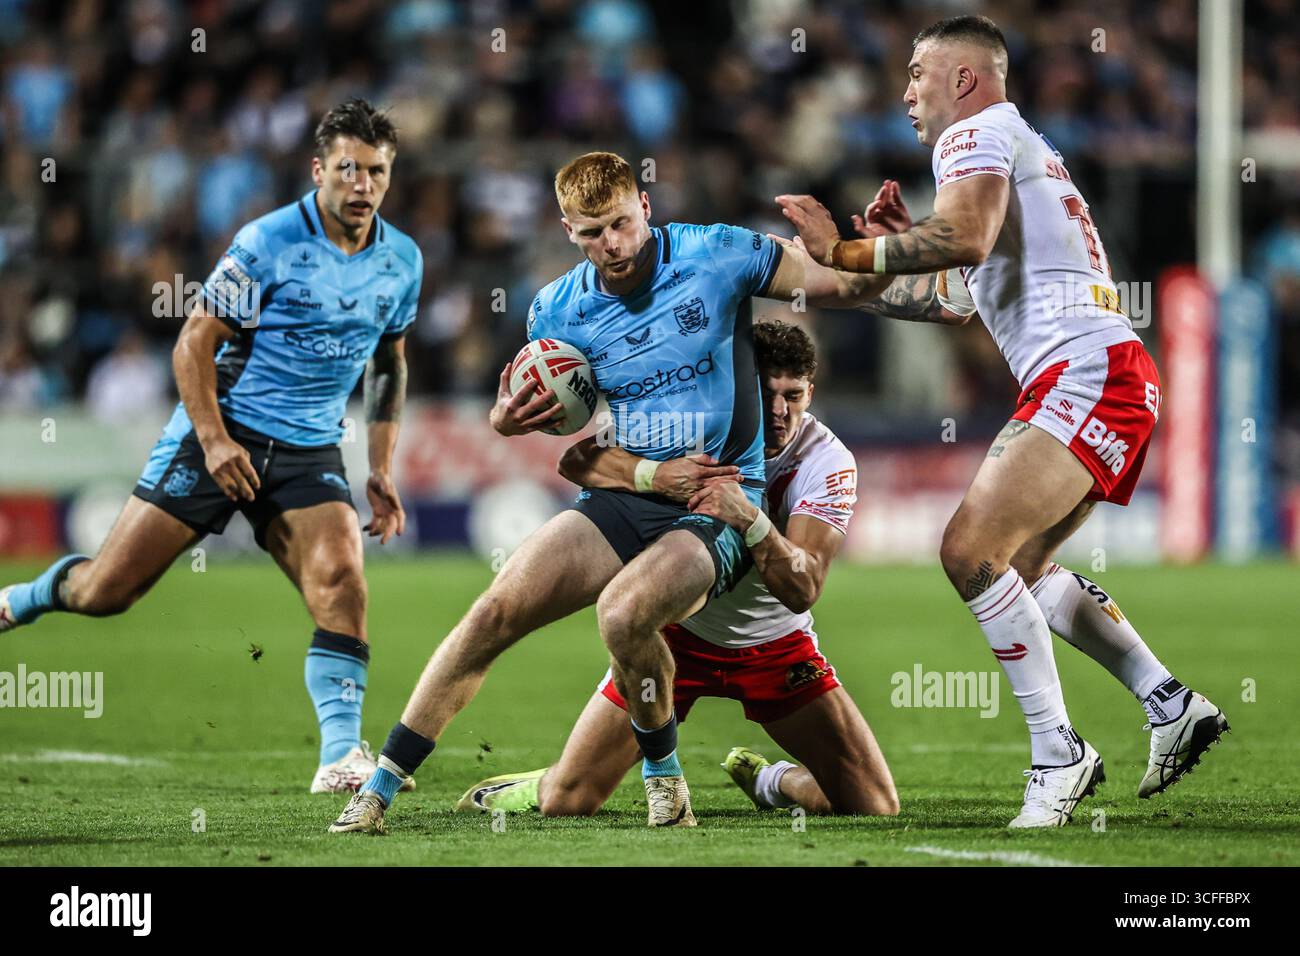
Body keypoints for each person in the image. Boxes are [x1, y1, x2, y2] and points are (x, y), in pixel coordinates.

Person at [329, 151, 893, 834]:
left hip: (717, 501)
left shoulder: (718, 254)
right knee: (493, 611)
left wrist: (875, 250)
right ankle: (380, 788)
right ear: (568, 230)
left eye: (622, 224)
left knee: (625, 614)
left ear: (645, 209)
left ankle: (666, 785)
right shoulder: (557, 309)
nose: (612, 245)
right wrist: (504, 419)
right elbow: (566, 440)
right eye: (592, 232)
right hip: (633, 497)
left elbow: (841, 287)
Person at [775, 15, 1227, 828]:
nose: (906, 90)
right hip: (1109, 374)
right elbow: (949, 296)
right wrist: (885, 259)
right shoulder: (1014, 148)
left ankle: (1059, 755)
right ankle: (1168, 702)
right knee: (1015, 568)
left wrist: (846, 252)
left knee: (967, 552)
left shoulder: (976, 132)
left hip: (1084, 374)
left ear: (964, 78)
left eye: (918, 72)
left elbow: (966, 236)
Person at [0, 99, 424, 795]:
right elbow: (194, 340)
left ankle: (341, 757)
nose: (363, 185)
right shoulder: (268, 241)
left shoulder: (402, 259)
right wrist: (214, 439)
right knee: (108, 592)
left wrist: (378, 467)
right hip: (221, 432)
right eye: (348, 169)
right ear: (319, 169)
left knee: (342, 581)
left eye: (376, 172)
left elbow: (390, 362)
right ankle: (31, 594)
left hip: (310, 448)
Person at [454, 320, 898, 818]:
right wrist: (653, 476)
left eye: (793, 396)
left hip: (773, 645)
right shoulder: (695, 420)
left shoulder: (825, 461)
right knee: (567, 802)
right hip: (671, 638)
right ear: (738, 386)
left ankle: (772, 780)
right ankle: (536, 784)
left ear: (810, 392)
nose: (779, 412)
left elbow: (803, 587)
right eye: (765, 392)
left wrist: (749, 518)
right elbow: (578, 460)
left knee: (873, 806)